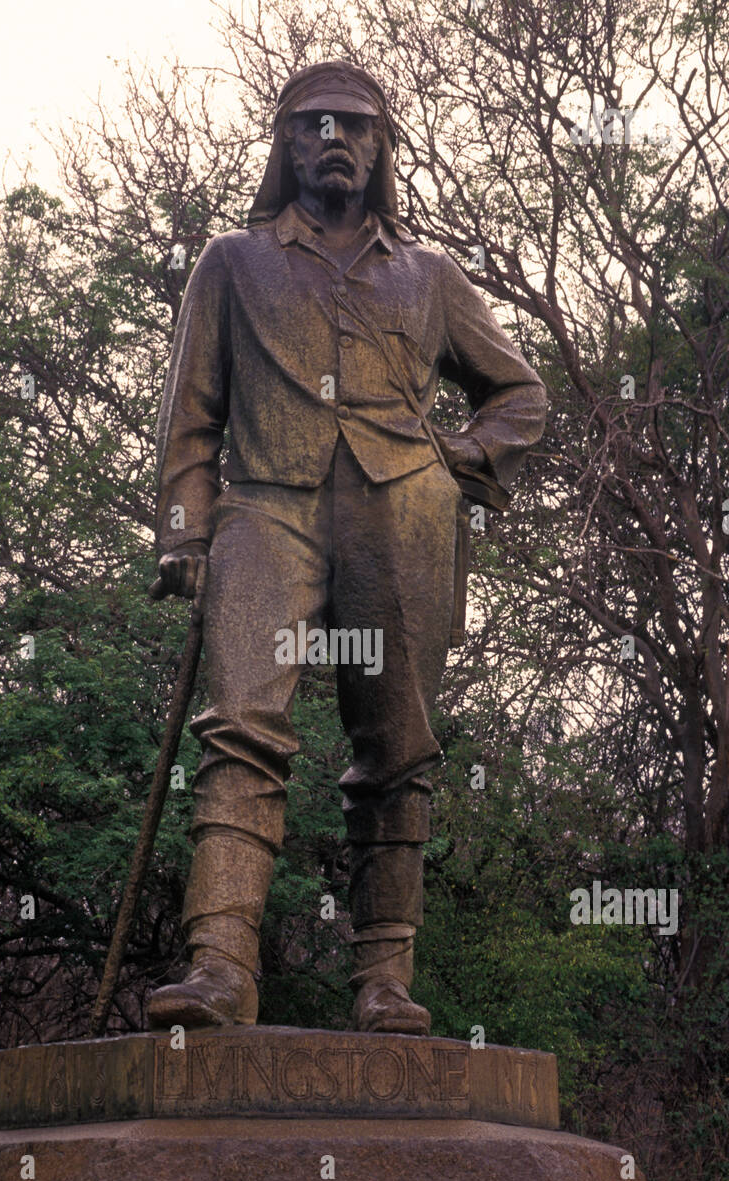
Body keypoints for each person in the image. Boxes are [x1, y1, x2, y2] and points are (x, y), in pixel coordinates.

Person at [147, 60, 547, 1035]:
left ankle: (383, 983)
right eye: (316, 123)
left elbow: (521, 395)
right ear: (286, 143)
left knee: (398, 751)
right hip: (265, 510)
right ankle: (220, 967)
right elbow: (191, 418)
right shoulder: (230, 264)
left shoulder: (431, 277)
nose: (335, 139)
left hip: (401, 516)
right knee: (240, 725)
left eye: (356, 126)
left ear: (379, 148)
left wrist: (457, 456)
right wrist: (184, 529)